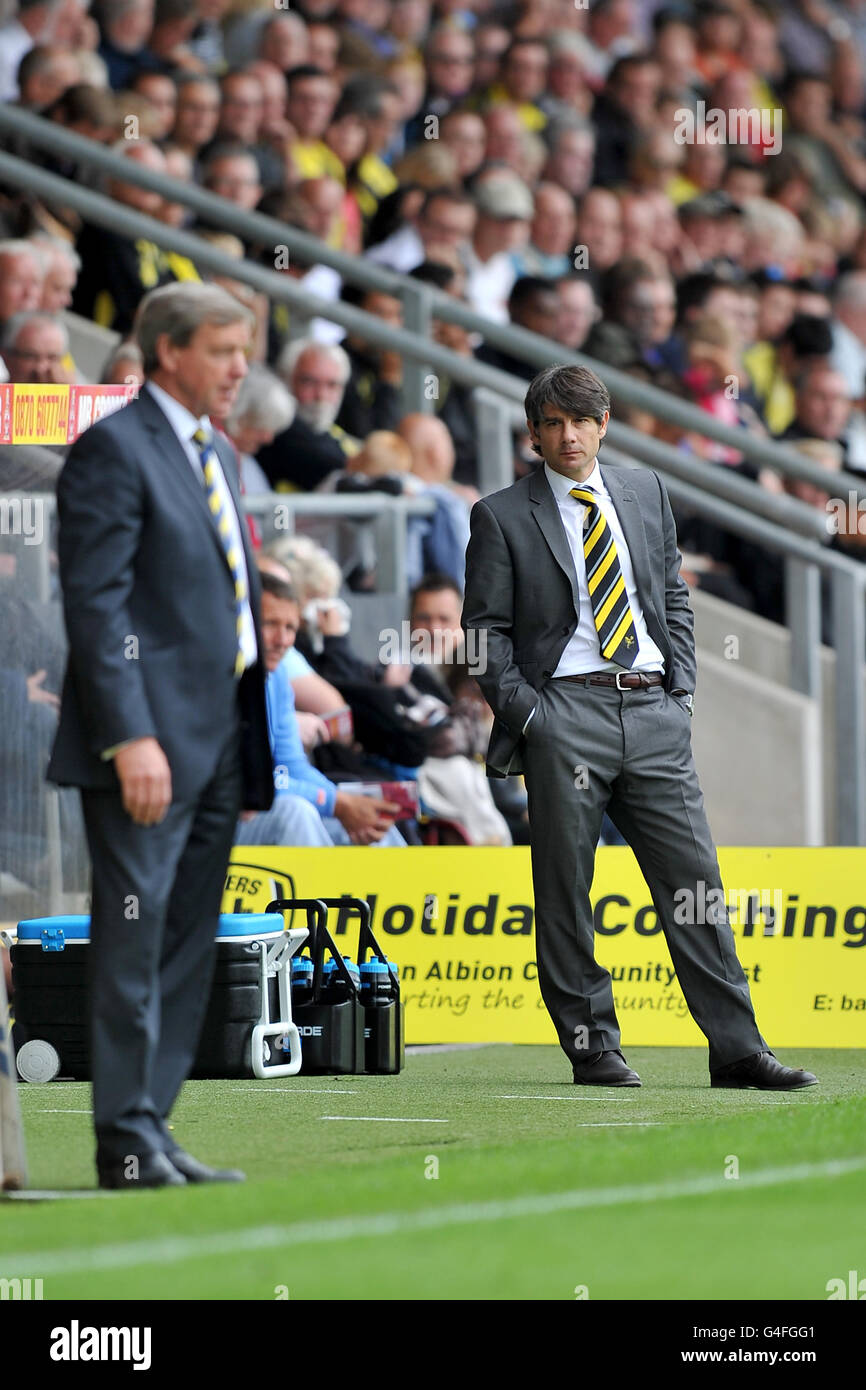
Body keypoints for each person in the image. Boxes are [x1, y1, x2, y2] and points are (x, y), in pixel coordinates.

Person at [462, 362, 818, 1093]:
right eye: (553, 424)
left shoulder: (648, 491)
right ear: (533, 434)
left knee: (697, 886)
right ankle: (594, 1050)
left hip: (654, 710)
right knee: (567, 889)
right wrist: (533, 717)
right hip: (565, 715)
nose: (568, 436)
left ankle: (738, 1050)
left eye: (581, 421)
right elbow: (481, 636)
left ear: (604, 424)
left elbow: (672, 597)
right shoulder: (499, 515)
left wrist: (682, 689)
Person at [47, 282, 274, 1189]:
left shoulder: (213, 451)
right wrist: (129, 737)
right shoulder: (113, 450)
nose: (238, 369)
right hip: (148, 744)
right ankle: (121, 1141)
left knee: (186, 938)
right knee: (134, 936)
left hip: (221, 739)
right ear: (170, 352)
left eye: (243, 351)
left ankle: (154, 1123)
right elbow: (97, 610)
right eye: (223, 351)